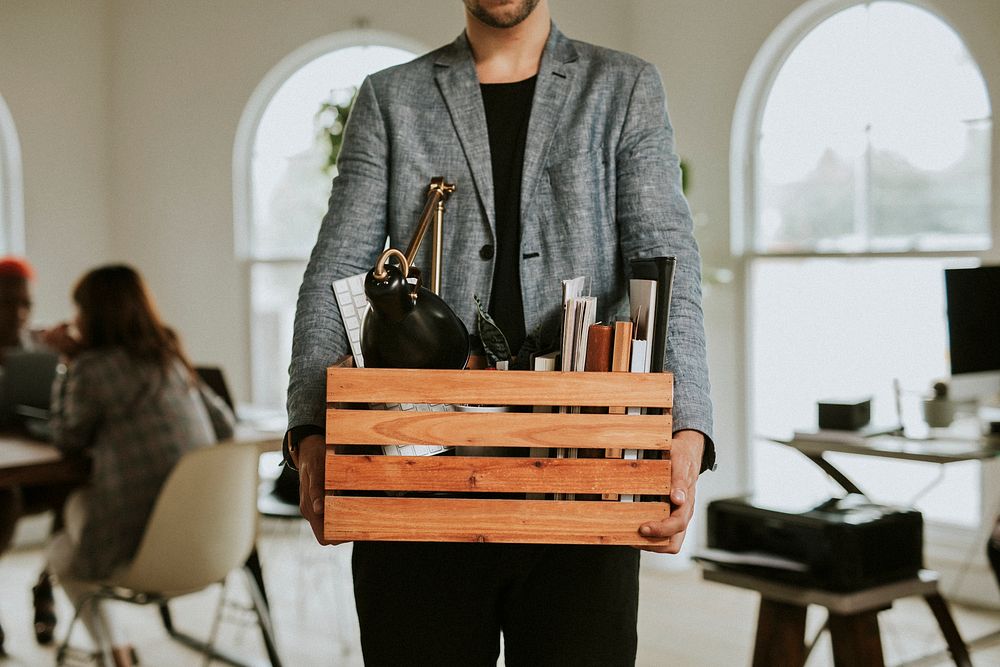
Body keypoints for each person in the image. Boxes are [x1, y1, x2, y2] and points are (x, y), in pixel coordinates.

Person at [285, 1, 714, 664]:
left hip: (581, 480)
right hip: (418, 486)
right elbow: (334, 270)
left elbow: (665, 259)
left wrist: (687, 429)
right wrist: (311, 430)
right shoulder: (389, 99)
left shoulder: (624, 87)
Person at [41, 264, 235, 667]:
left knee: (61, 547)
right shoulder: (171, 357)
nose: (75, 319)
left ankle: (115, 650)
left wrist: (66, 362)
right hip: (214, 545)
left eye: (79, 310)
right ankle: (118, 649)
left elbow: (66, 437)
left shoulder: (92, 369)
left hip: (145, 550)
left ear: (94, 315)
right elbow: (225, 425)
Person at [0, 256, 68, 653]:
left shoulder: (39, 346)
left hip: (38, 464)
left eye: (25, 304)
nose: (19, 313)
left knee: (77, 488)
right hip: (6, 479)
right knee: (3, 503)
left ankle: (47, 585)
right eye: (7, 303)